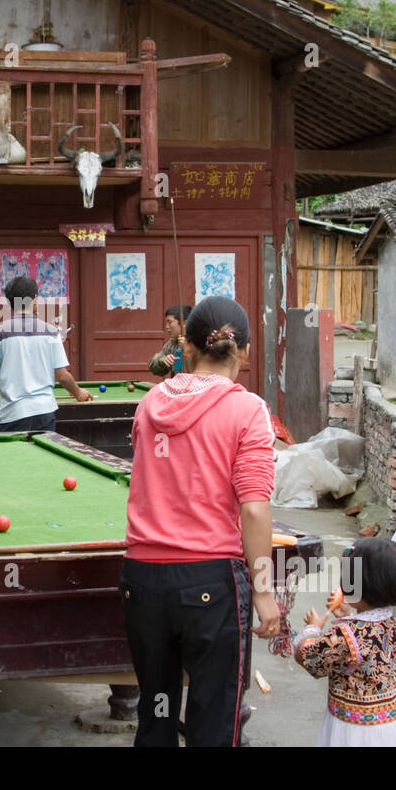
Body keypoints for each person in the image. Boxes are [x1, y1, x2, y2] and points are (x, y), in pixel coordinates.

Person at [121, 295, 280, 747]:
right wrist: (264, 593)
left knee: (156, 715)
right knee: (213, 720)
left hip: (142, 582)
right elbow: (253, 507)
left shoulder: (149, 403)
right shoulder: (248, 410)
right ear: (244, 353)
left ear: (186, 347)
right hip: (210, 583)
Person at [294, 538, 396, 746]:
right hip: (389, 725)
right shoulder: (391, 622)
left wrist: (312, 629)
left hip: (354, 732)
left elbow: (311, 659)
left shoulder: (345, 634)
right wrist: (347, 615)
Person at [0, 275, 91, 431]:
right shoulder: (51, 332)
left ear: (9, 302)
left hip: (11, 415)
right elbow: (62, 376)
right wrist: (78, 393)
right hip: (44, 413)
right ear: (35, 298)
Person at [149, 304, 193, 378]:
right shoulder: (172, 344)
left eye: (170, 322)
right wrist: (161, 360)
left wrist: (189, 349)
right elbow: (153, 368)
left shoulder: (200, 342)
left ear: (184, 323)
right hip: (177, 387)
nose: (166, 326)